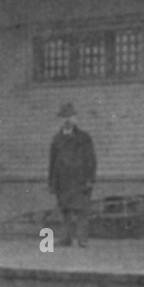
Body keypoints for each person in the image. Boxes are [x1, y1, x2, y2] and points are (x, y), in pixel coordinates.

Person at [48, 101, 96, 248]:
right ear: (60, 120)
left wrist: (90, 179)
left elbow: (91, 160)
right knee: (65, 210)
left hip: (80, 180)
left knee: (82, 210)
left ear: (76, 119)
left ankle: (82, 239)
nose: (67, 120)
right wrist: (51, 182)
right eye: (64, 117)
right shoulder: (57, 139)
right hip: (63, 181)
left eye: (70, 116)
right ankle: (66, 238)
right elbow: (52, 162)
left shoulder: (84, 138)